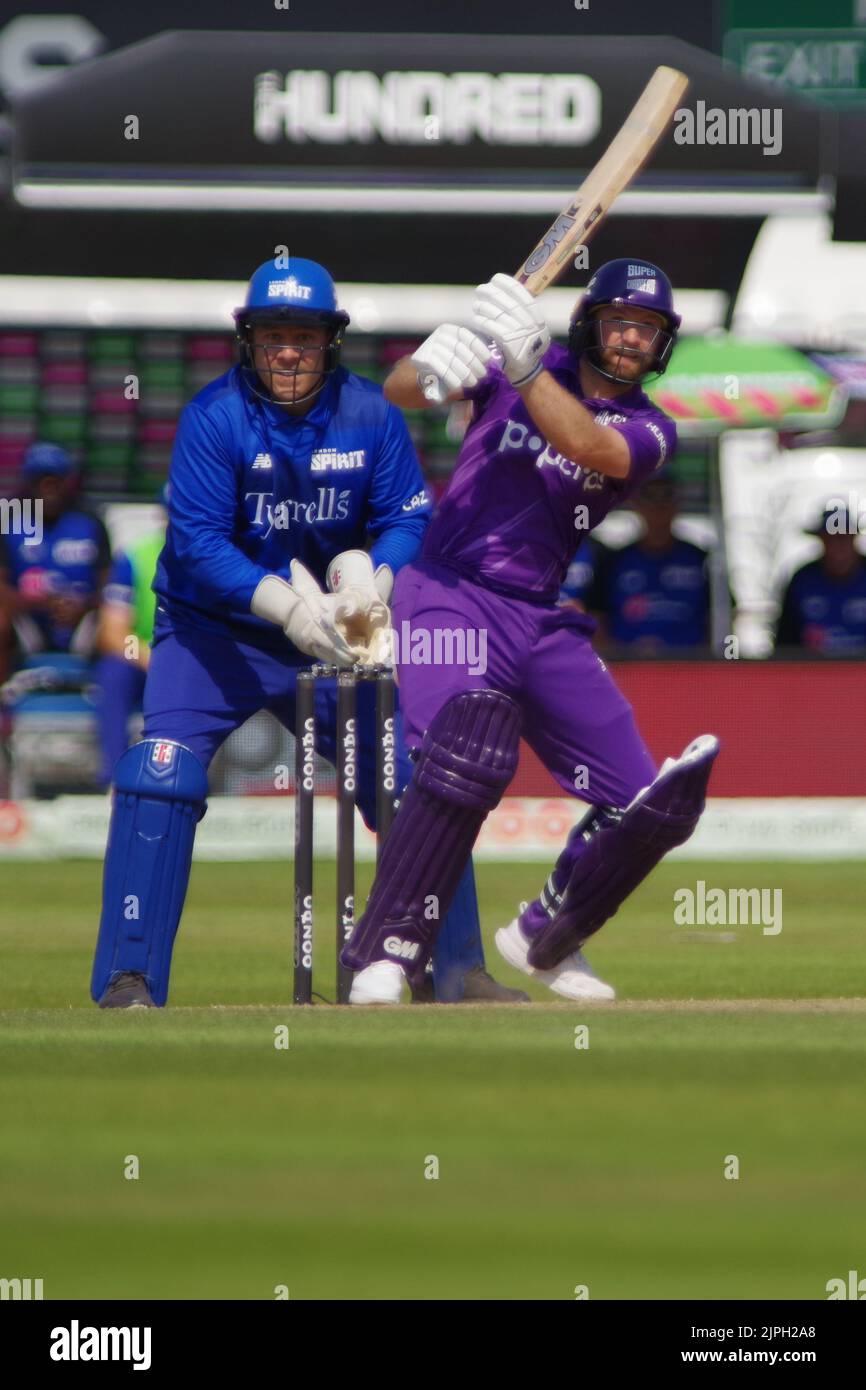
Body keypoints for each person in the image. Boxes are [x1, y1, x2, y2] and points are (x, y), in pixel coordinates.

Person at [90, 255, 525, 1009]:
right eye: (271, 337)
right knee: (159, 774)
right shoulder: (213, 417)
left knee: (413, 783)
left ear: (331, 343)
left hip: (337, 637)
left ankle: (457, 971)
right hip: (212, 636)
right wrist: (284, 607)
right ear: (248, 344)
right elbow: (195, 541)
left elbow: (405, 517)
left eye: (303, 337)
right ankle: (129, 979)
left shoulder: (371, 414)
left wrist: (371, 584)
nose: (287, 353)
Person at [342, 259, 719, 1004]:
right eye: (619, 322)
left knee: (648, 802)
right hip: (448, 587)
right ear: (589, 323)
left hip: (540, 613)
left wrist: (520, 369)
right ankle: (387, 952)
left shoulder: (651, 428)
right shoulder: (526, 360)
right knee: (460, 756)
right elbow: (397, 395)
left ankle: (549, 935)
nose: (631, 340)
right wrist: (430, 364)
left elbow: (590, 446)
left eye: (647, 330)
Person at [0, 443, 110, 680]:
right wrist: (40, 603)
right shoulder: (10, 522)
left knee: (117, 619)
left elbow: (110, 584)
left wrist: (85, 605)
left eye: (55, 481)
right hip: (28, 621)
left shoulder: (90, 521)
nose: (49, 489)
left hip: (84, 620)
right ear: (29, 483)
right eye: (42, 481)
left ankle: (111, 693)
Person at [93, 488, 168, 787]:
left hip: (196, 658)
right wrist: (148, 657)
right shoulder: (136, 558)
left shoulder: (219, 557)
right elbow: (113, 633)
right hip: (144, 657)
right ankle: (114, 778)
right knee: (113, 672)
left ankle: (184, 778)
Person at [585, 474, 710, 652]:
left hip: (690, 670)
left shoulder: (702, 561)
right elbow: (596, 621)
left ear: (678, 503)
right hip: (628, 670)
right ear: (636, 504)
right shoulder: (612, 562)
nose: (658, 506)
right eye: (649, 496)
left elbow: (721, 622)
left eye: (667, 495)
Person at [775, 503, 866, 655]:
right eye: (831, 538)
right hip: (813, 674)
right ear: (821, 540)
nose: (838, 547)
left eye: (843, 538)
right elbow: (784, 643)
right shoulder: (802, 580)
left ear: (854, 538)